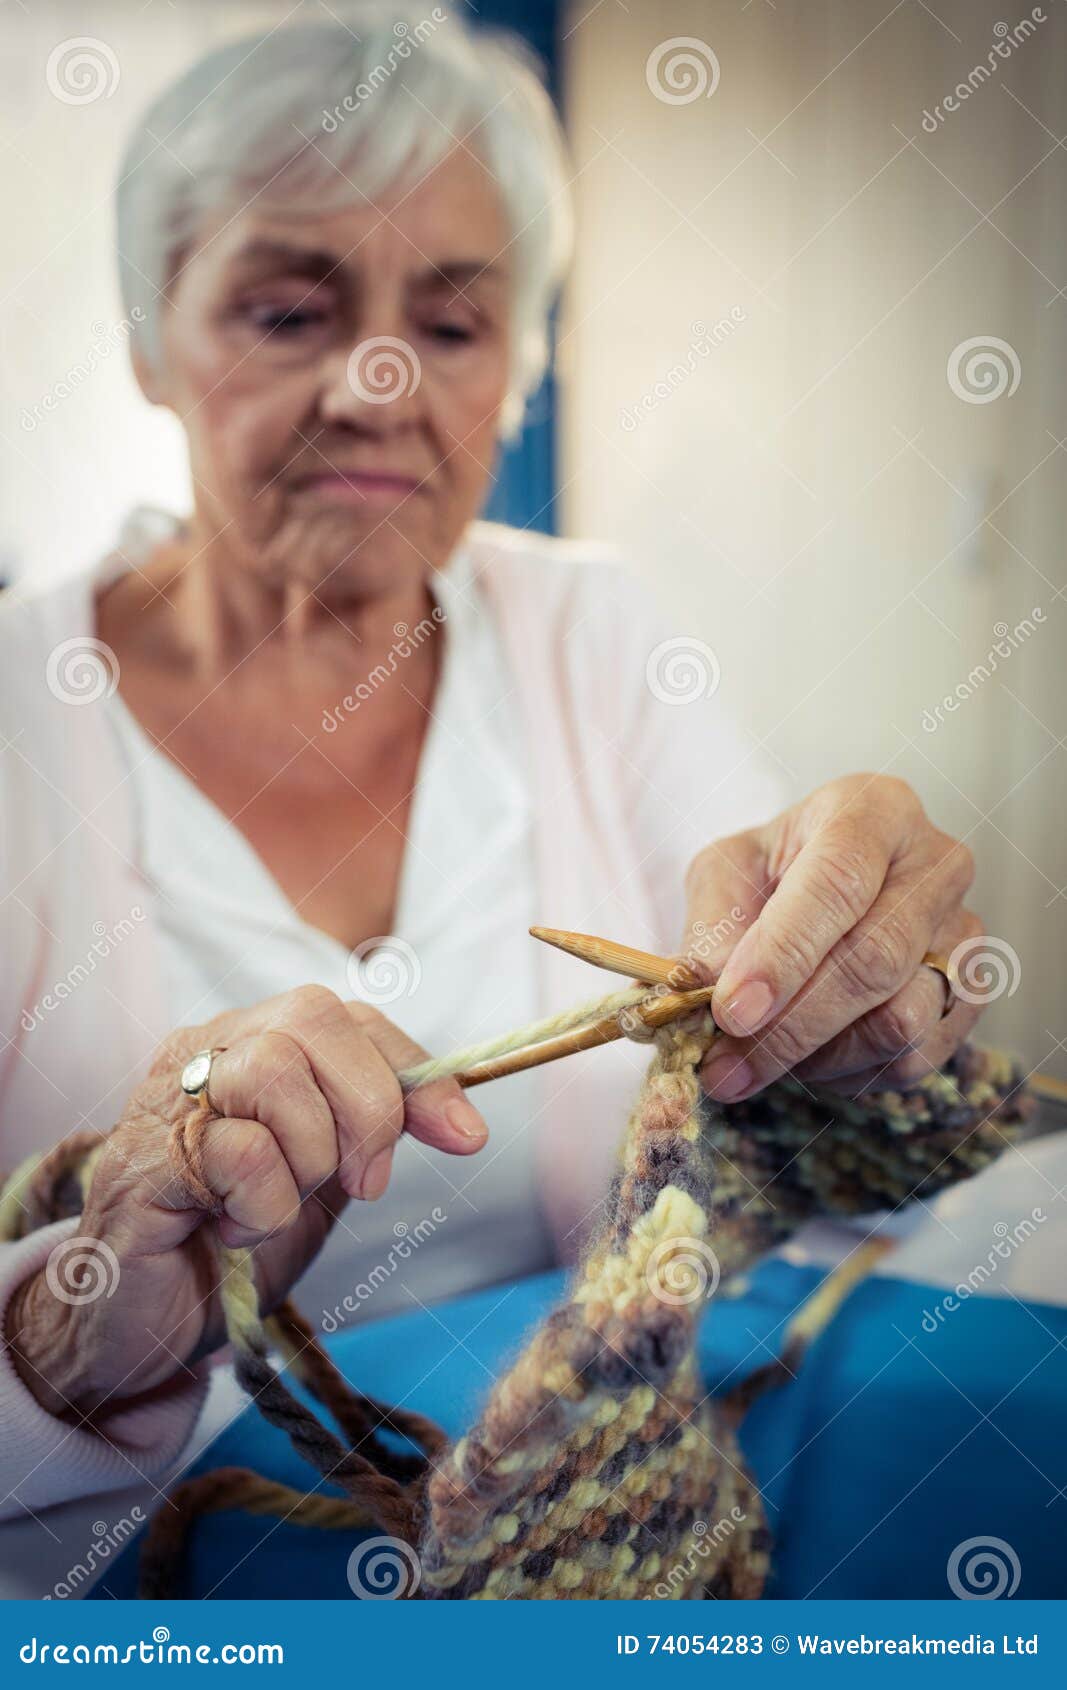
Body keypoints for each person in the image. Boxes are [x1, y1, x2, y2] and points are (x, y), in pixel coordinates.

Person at [0, 10, 982, 1523]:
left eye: (452, 327)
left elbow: (837, 1149)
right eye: (286, 313)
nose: (380, 387)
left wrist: (868, 993)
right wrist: (81, 1324)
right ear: (148, 337)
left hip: (585, 1515)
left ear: (516, 368)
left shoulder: (595, 629)